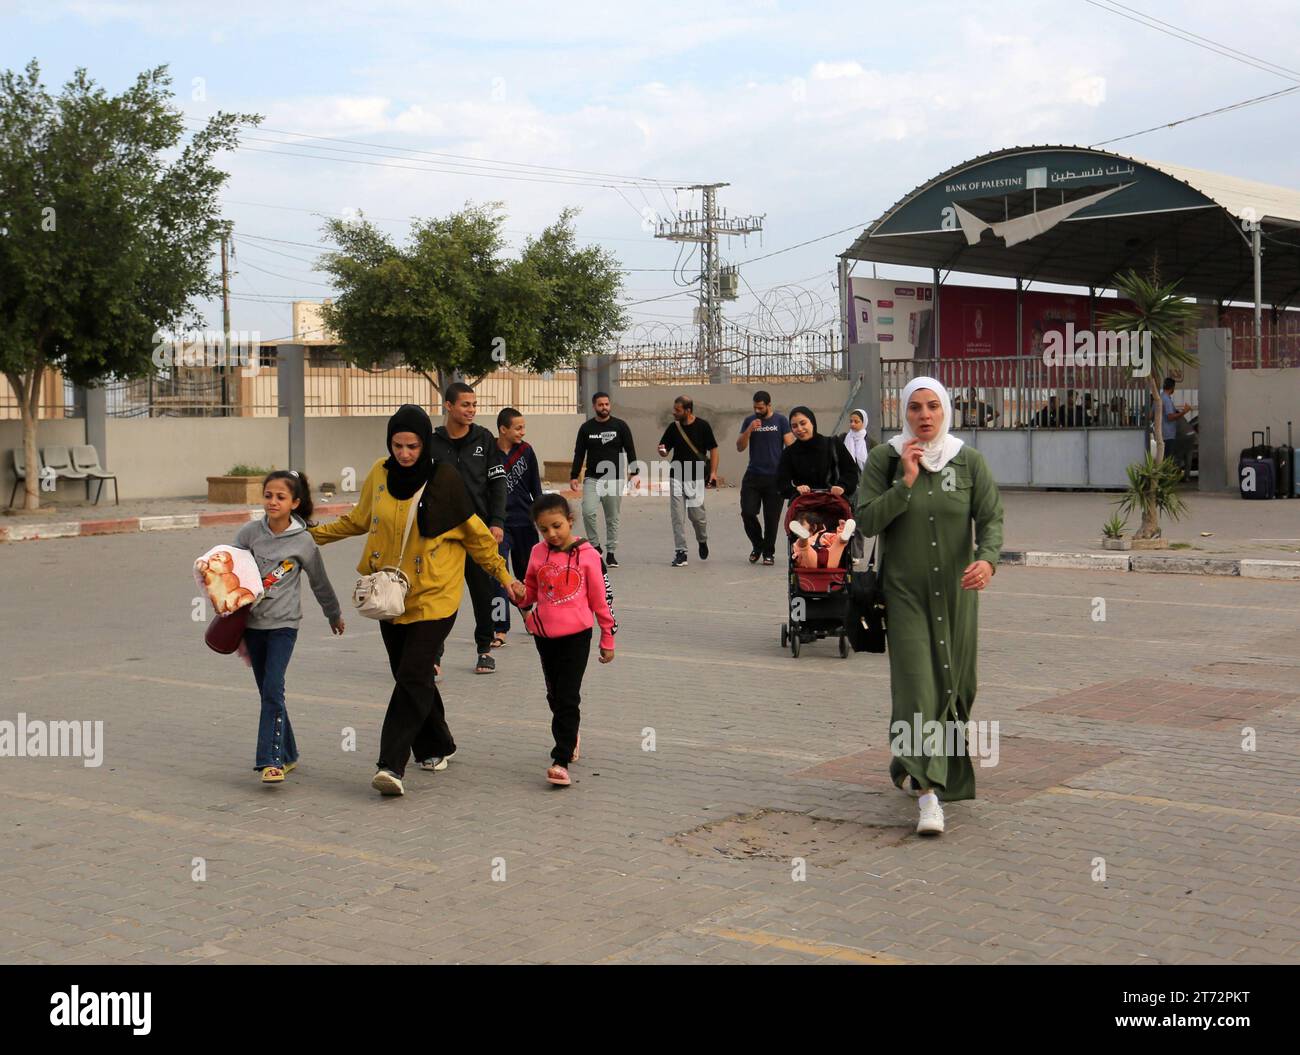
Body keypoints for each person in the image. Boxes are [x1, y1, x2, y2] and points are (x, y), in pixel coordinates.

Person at [310, 405, 525, 797]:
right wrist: (311, 537)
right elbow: (359, 520)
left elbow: (478, 538)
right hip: (389, 595)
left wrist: (506, 578)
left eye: (412, 446)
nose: (404, 454)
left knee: (411, 676)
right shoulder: (379, 473)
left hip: (434, 598)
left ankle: (390, 766)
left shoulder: (445, 481)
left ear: (425, 443)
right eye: (397, 445)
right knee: (414, 675)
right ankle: (437, 744)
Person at [854, 377, 1004, 837]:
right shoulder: (885, 459)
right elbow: (866, 520)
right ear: (904, 411)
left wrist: (988, 560)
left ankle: (912, 763)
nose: (924, 415)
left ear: (946, 412)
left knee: (957, 689)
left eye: (933, 407)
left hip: (958, 596)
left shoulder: (969, 461)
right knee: (918, 690)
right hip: (904, 595)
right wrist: (906, 483)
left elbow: (991, 518)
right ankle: (928, 796)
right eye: (915, 407)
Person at [234, 470, 344, 784]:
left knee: (272, 688)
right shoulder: (249, 534)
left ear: (294, 502)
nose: (273, 502)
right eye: (268, 495)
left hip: (284, 626)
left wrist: (333, 614)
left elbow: (319, 582)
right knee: (269, 692)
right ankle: (290, 753)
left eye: (280, 497)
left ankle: (270, 761)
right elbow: (229, 567)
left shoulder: (303, 540)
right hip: (252, 625)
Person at [519, 493, 616, 787]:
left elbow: (602, 600)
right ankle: (570, 734)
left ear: (570, 521)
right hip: (545, 636)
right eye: (544, 529)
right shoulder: (537, 552)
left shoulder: (589, 556)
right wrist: (518, 596)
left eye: (557, 526)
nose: (551, 534)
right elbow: (530, 589)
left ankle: (560, 760)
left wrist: (607, 636)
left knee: (568, 696)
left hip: (577, 637)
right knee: (554, 695)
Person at [427, 381, 508, 676]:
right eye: (465, 404)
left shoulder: (485, 440)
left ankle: (484, 650)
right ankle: (434, 656)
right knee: (438, 596)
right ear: (448, 406)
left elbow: (498, 484)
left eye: (474, 405)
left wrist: (497, 522)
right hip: (441, 533)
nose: (471, 410)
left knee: (482, 593)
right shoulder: (432, 441)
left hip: (478, 532)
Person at [491, 407, 543, 649]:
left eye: (524, 427)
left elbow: (536, 487)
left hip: (525, 521)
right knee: (499, 575)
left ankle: (527, 613)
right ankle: (499, 628)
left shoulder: (526, 451)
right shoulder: (489, 453)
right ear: (503, 429)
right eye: (518, 427)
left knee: (525, 574)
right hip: (499, 525)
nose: (523, 431)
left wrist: (541, 517)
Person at [570, 392, 638, 568]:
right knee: (588, 511)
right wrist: (574, 475)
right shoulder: (586, 428)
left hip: (614, 479)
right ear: (594, 406)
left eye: (607, 404)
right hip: (592, 478)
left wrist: (634, 472)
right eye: (600, 405)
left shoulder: (620, 426)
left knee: (612, 517)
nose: (604, 407)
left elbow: (630, 450)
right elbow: (579, 453)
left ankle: (611, 553)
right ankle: (595, 546)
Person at [656, 395, 718, 567]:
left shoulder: (703, 426)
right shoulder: (673, 427)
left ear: (688, 410)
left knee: (697, 517)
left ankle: (702, 539)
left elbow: (713, 449)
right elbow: (664, 449)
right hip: (676, 476)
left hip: (696, 476)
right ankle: (681, 552)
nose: (674, 413)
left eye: (678, 410)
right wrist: (662, 450)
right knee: (677, 516)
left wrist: (713, 472)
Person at [737, 390, 793, 566]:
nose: (757, 410)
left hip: (775, 478)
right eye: (755, 407)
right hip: (753, 475)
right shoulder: (749, 421)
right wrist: (749, 430)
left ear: (769, 405)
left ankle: (768, 553)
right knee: (747, 512)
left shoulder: (780, 421)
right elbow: (740, 447)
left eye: (760, 407)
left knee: (771, 519)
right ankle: (758, 545)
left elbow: (790, 446)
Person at [776, 406, 860, 502]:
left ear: (812, 422)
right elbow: (781, 483)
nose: (799, 429)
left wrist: (842, 486)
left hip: (834, 504)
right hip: (803, 506)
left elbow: (851, 472)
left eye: (803, 423)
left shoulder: (833, 444)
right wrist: (796, 490)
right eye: (794, 426)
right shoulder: (789, 453)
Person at [789, 511, 856, 570]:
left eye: (801, 524)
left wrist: (841, 529)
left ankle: (843, 537)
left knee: (801, 546)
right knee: (838, 542)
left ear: (814, 527)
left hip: (814, 562)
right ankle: (842, 539)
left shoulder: (825, 535)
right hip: (830, 562)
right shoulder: (825, 536)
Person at [1160, 377, 1193, 469]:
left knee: (1165, 459)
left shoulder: (1159, 397)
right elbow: (1170, 417)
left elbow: (1151, 415)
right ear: (1172, 388)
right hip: (1168, 434)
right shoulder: (1166, 400)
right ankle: (1167, 480)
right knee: (1168, 460)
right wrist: (1184, 412)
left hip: (1162, 433)